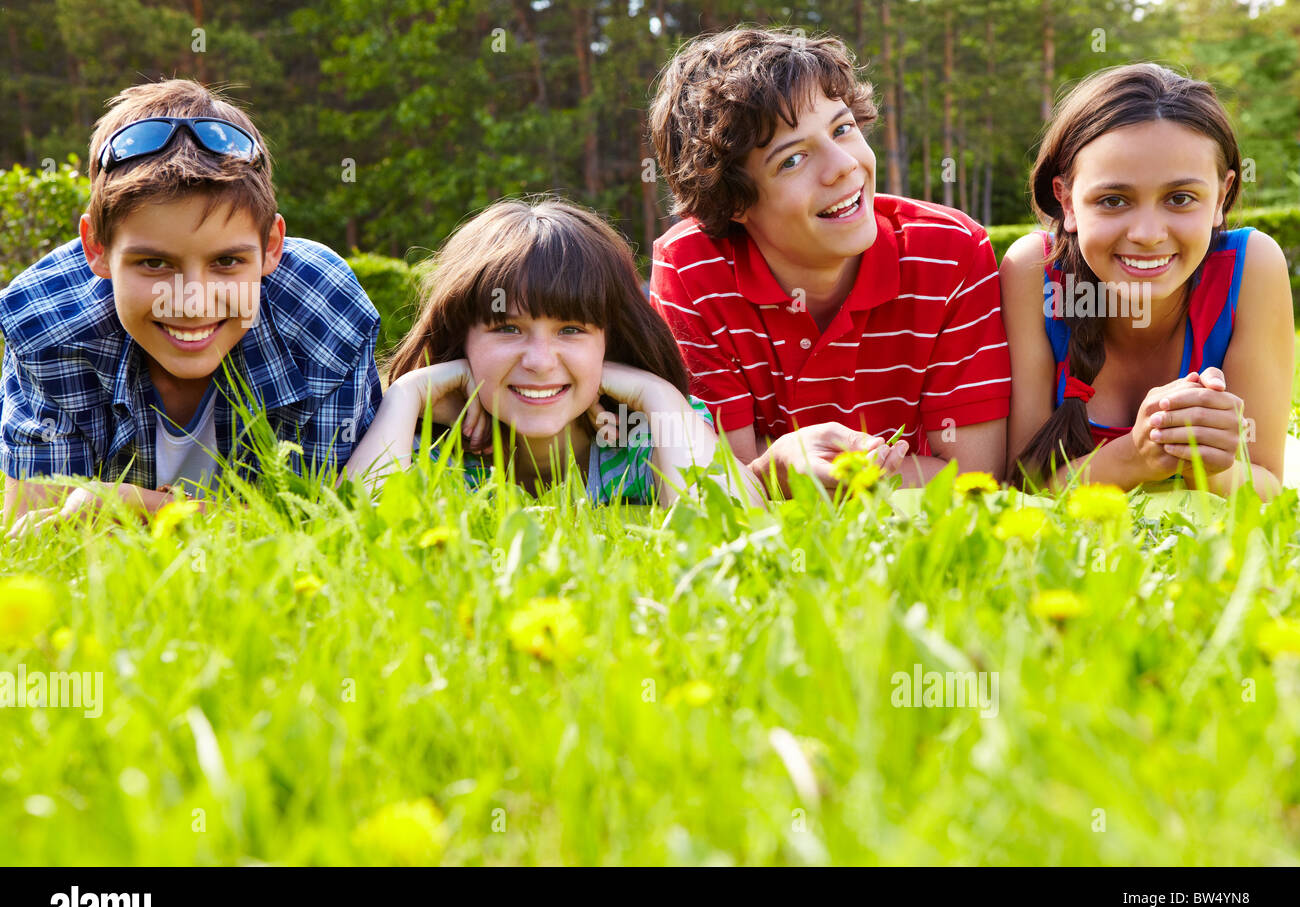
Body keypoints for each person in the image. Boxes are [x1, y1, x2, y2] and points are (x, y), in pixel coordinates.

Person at [1, 79, 382, 532]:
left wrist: (139, 505)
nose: (191, 300)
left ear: (271, 247)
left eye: (226, 260)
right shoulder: (46, 320)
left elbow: (332, 528)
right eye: (155, 262)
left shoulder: (321, 308)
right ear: (96, 248)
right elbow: (35, 536)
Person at [648, 27, 1011, 496]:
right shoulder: (691, 267)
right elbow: (718, 488)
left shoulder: (951, 252)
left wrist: (769, 468)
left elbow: (976, 478)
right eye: (792, 160)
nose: (843, 165)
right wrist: (769, 471)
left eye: (843, 129)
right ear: (733, 202)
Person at [343, 198, 762, 507]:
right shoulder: (436, 458)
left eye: (571, 330)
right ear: (460, 339)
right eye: (508, 328)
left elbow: (731, 527)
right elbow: (360, 533)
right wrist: (407, 393)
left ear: (610, 341)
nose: (540, 361)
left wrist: (657, 393)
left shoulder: (653, 438)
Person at [1000, 63, 1293, 499]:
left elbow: (1269, 484)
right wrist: (1138, 456)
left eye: (1180, 198)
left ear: (1222, 196)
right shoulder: (1034, 273)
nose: (1148, 234)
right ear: (1067, 201)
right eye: (1113, 200)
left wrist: (1203, 463)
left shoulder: (1251, 267)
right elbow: (1019, 485)